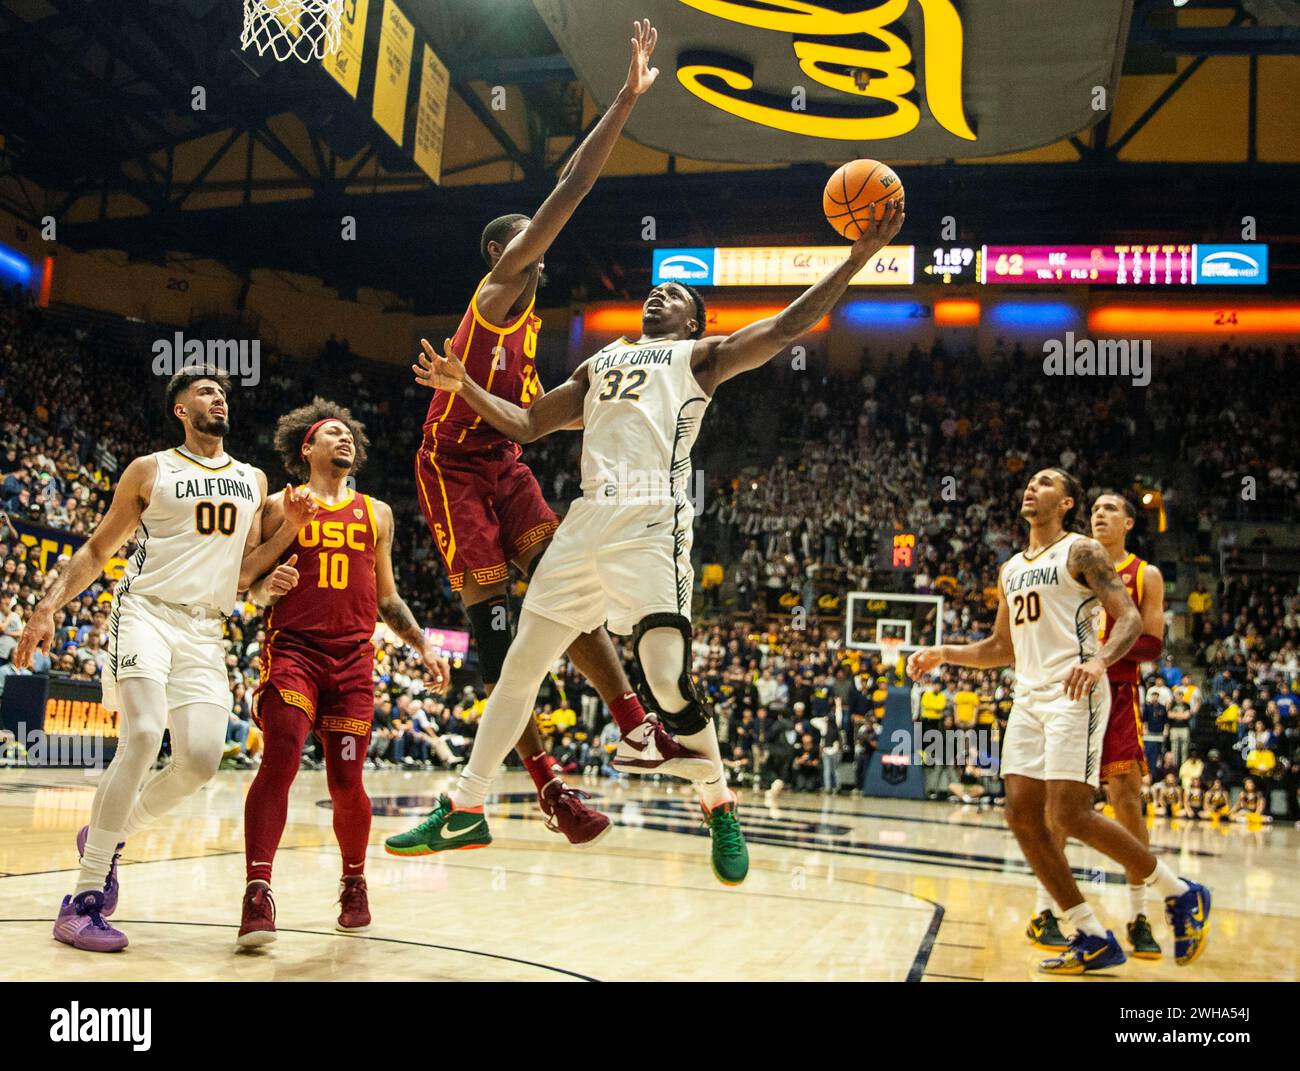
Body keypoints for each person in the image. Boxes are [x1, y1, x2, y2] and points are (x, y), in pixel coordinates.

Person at [389, 197, 907, 885]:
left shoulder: (702, 357)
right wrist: (465, 388)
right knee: (518, 665)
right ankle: (465, 804)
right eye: (654, 289)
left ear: (694, 319)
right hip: (584, 521)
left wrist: (858, 258)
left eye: (674, 294)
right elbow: (523, 425)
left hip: (651, 523)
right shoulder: (601, 362)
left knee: (664, 673)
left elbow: (787, 326)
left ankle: (719, 802)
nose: (657, 295)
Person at [408, 21, 702, 845]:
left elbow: (527, 425)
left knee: (565, 591)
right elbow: (569, 188)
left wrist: (468, 386)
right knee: (499, 628)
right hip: (451, 468)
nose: (534, 244)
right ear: (504, 250)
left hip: (500, 456)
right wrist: (626, 97)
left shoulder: (533, 330)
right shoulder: (498, 289)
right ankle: (546, 788)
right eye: (520, 235)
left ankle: (636, 722)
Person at [15, 368, 315, 952]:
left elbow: (245, 573)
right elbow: (101, 547)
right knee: (145, 733)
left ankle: (105, 836)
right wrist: (47, 606)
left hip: (206, 629)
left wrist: (290, 535)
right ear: (181, 410)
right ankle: (81, 900)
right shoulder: (151, 469)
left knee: (202, 760)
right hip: (146, 612)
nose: (218, 399)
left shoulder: (253, 479)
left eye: (222, 393)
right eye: (205, 392)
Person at [906, 469, 1211, 973]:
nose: (1031, 486)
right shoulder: (1010, 569)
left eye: (1046, 482)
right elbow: (1000, 648)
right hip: (1028, 698)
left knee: (1069, 814)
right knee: (1023, 816)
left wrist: (1099, 662)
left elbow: (1131, 619)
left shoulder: (1082, 551)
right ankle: (1090, 933)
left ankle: (1179, 892)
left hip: (1077, 692)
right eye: (1028, 481)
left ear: (1067, 502)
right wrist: (944, 652)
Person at [237, 401, 452, 946]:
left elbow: (387, 596)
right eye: (331, 433)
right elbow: (250, 582)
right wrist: (269, 588)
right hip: (295, 650)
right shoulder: (276, 505)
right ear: (305, 450)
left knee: (346, 780)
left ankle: (354, 882)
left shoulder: (377, 512)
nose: (344, 439)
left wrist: (424, 644)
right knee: (282, 751)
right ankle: (258, 892)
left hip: (355, 659)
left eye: (348, 433)